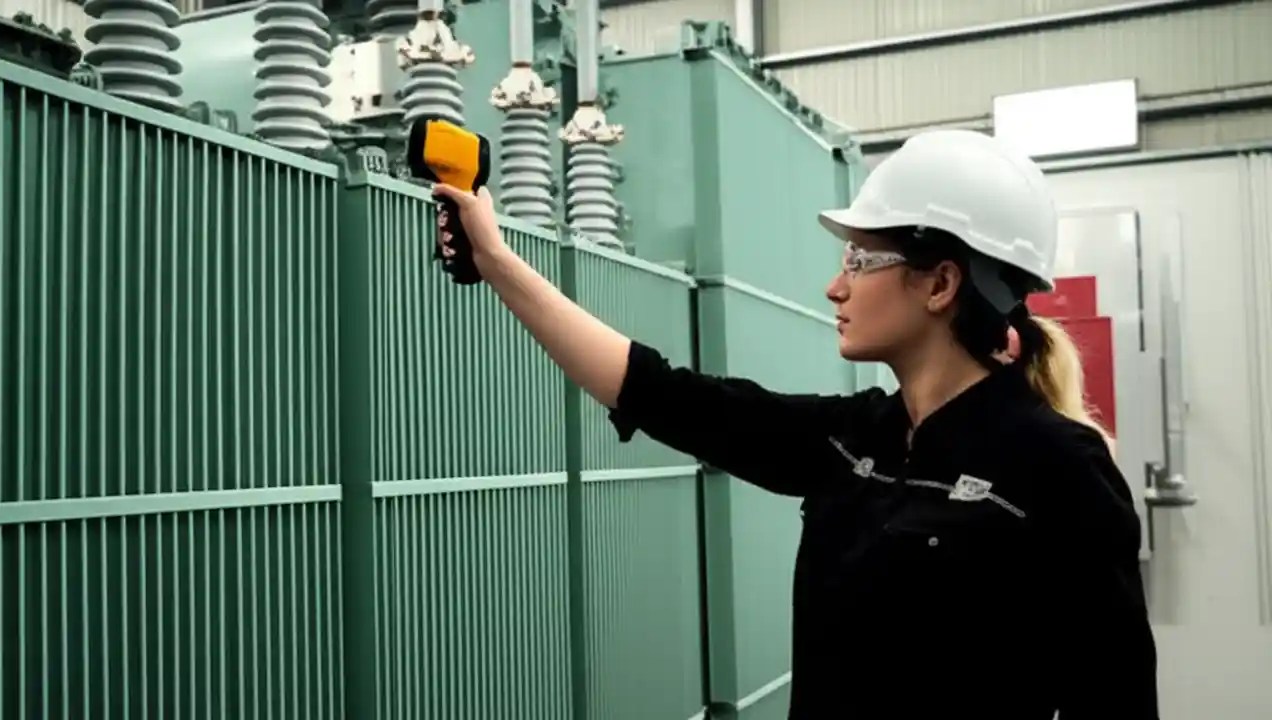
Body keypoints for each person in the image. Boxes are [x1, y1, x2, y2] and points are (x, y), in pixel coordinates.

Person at [432, 129, 1158, 719]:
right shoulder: (859, 439)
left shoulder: (1058, 466)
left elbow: (1115, 702)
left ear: (940, 282)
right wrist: (497, 262)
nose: (835, 286)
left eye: (860, 258)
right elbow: (662, 394)